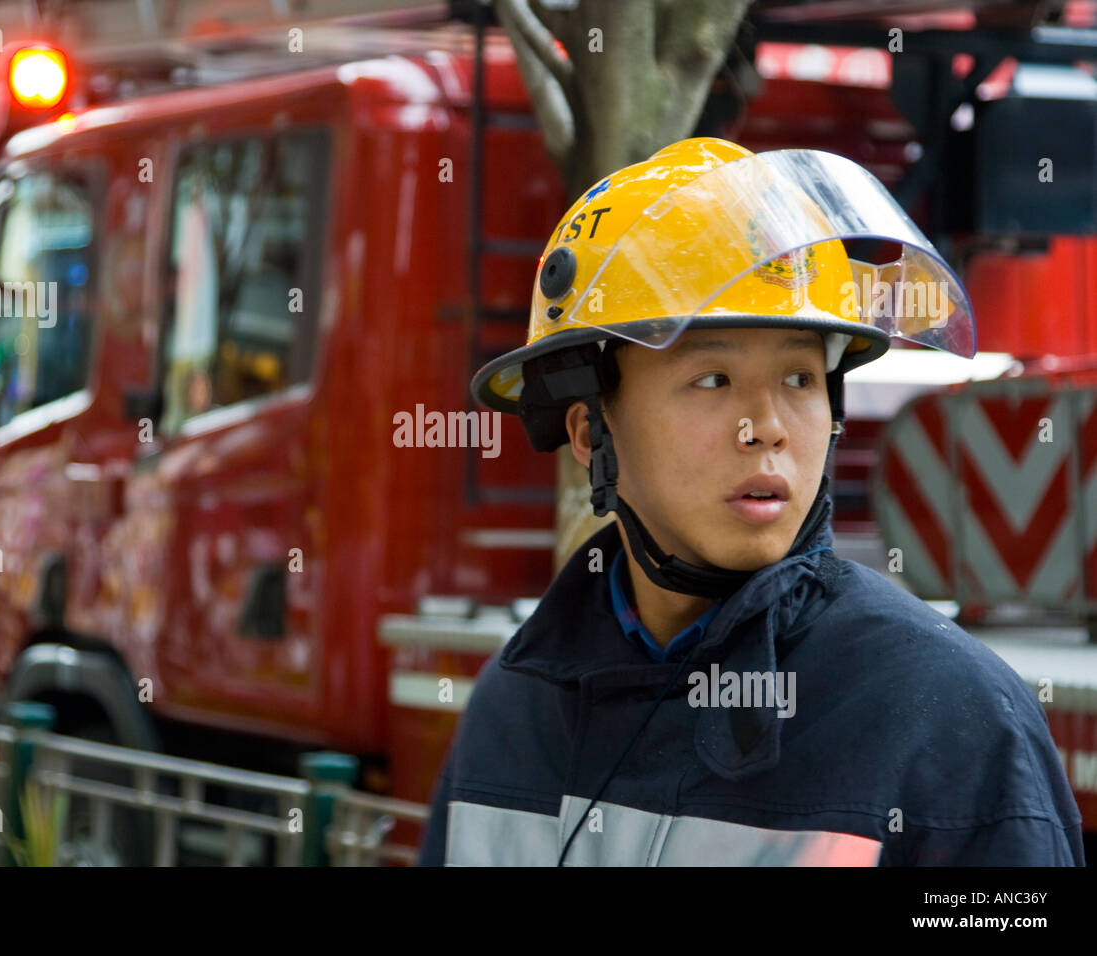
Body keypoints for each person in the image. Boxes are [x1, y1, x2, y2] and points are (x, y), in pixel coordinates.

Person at [417, 137, 1084, 866]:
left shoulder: (950, 718)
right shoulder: (515, 706)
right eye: (712, 380)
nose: (765, 427)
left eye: (799, 378)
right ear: (590, 431)